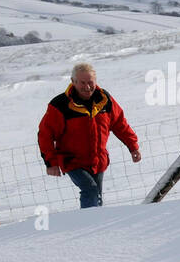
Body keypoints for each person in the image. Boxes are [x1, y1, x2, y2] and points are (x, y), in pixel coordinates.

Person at [37, 63, 141, 209]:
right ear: (73, 82)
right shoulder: (60, 105)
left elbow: (120, 124)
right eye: (82, 83)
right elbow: (45, 134)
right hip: (72, 161)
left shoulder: (105, 100)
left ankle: (95, 227)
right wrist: (51, 162)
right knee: (91, 191)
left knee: (97, 196)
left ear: (95, 81)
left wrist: (133, 147)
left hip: (98, 160)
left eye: (90, 82)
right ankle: (86, 226)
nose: (87, 87)